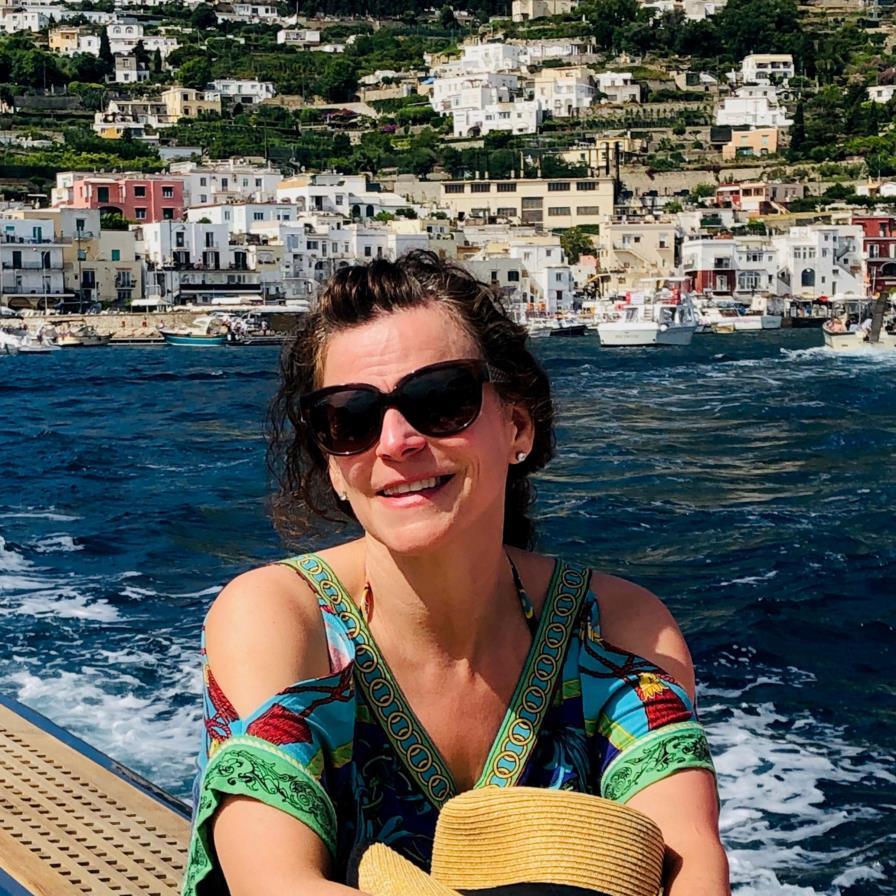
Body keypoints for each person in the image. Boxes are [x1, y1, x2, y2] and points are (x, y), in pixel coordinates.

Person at [182, 250, 729, 896]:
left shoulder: (620, 631)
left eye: (440, 400)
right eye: (350, 419)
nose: (396, 442)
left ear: (516, 426)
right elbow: (272, 880)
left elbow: (690, 860)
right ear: (333, 464)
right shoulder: (283, 619)